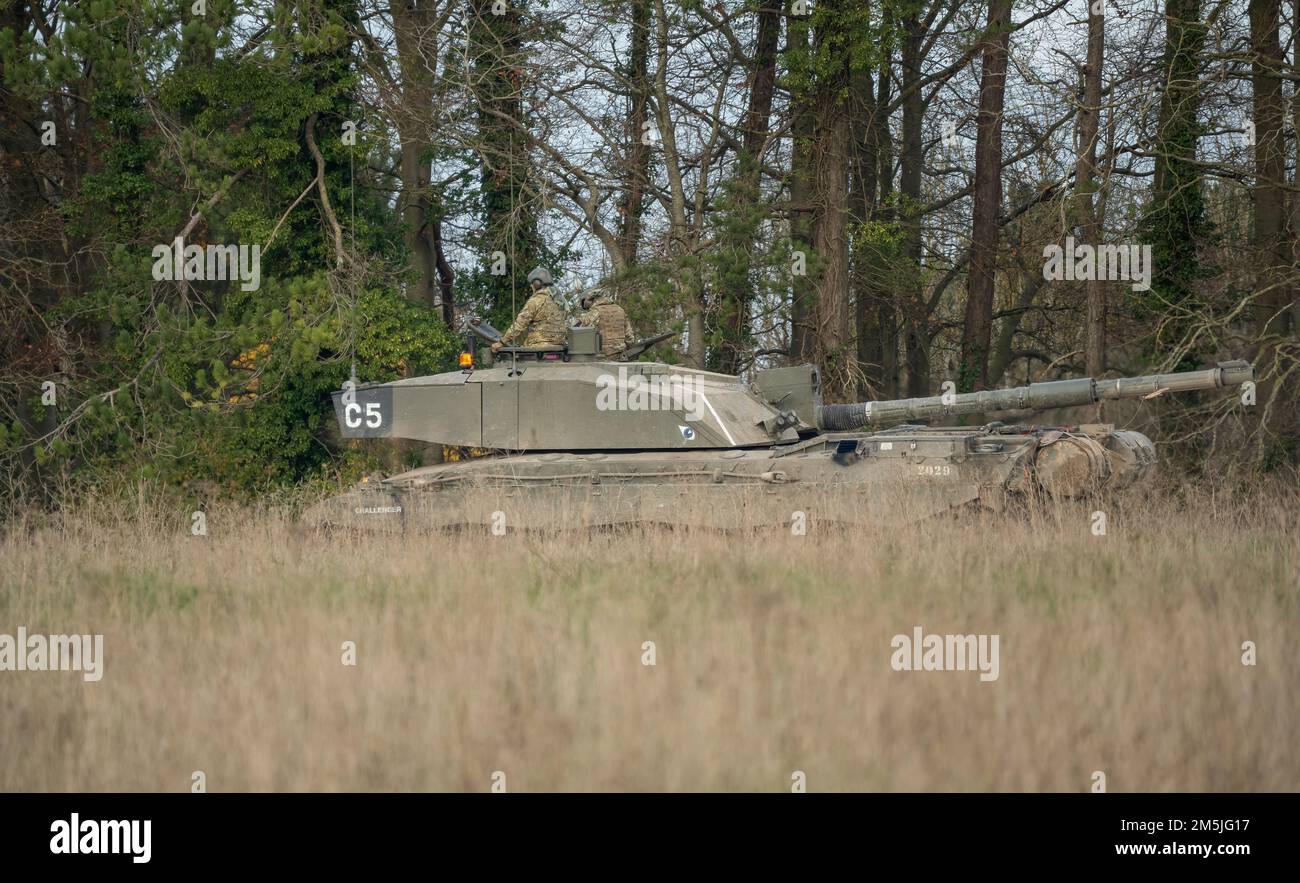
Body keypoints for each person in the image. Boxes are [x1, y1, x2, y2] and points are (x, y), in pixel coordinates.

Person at [492, 268, 567, 351]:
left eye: (532, 284)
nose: (531, 286)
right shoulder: (560, 301)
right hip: (559, 345)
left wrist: (502, 342)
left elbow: (519, 325)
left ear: (537, 283)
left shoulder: (536, 300)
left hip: (538, 345)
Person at [578, 289, 635, 357]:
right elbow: (630, 338)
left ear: (588, 301)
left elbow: (578, 334)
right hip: (621, 355)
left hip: (603, 356)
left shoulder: (595, 312)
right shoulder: (620, 310)